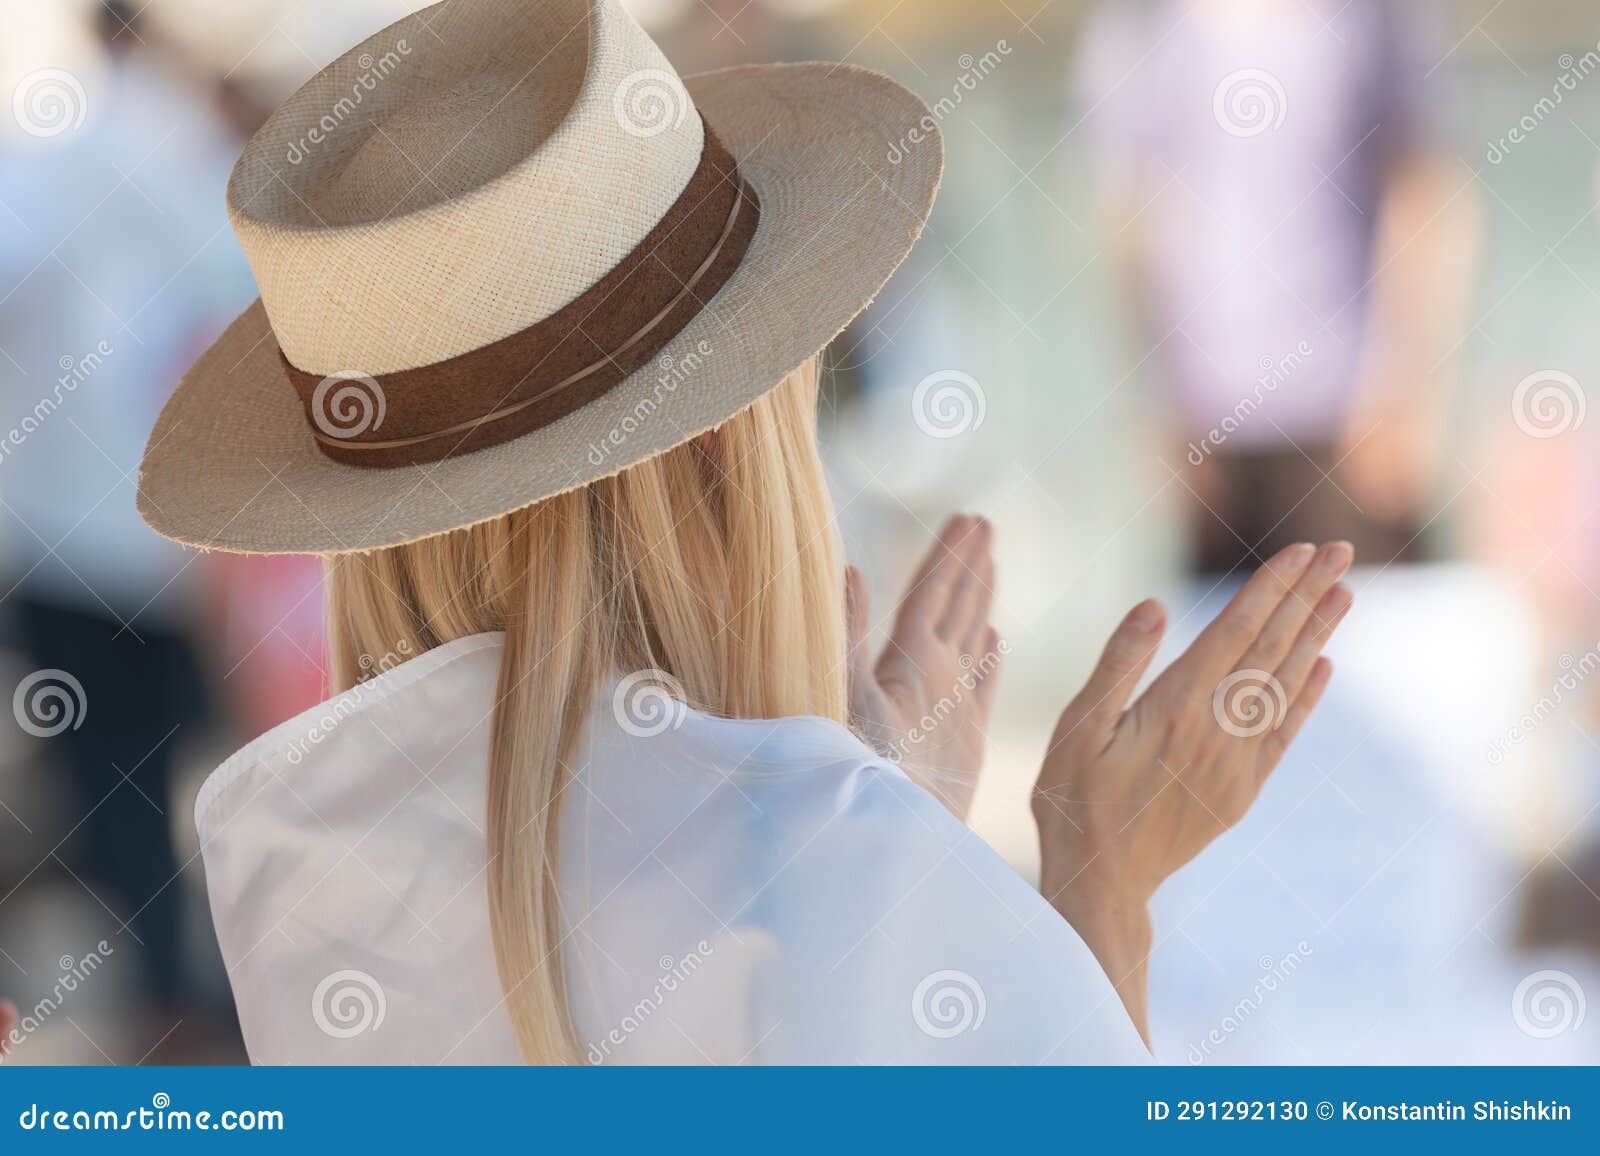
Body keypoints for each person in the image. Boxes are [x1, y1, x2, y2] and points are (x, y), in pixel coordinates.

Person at [122, 0, 1351, 1063]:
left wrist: (869, 838)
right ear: (725, 435)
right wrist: (1096, 889)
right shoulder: (833, 870)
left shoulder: (290, 851)